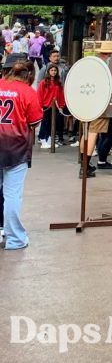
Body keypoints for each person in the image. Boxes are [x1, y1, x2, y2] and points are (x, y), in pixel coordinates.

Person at [1, 61, 43, 249]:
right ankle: (15, 239)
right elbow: (35, 121)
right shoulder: (27, 92)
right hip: (15, 148)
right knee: (12, 195)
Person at [79, 41, 112, 178]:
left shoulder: (91, 63)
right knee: (93, 133)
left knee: (86, 132)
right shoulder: (107, 66)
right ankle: (85, 166)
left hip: (86, 102)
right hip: (100, 105)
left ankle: (84, 163)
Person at [36, 63, 66, 149]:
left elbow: (61, 95)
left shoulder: (58, 83)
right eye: (52, 70)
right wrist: (40, 106)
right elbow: (39, 94)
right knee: (45, 123)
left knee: (52, 123)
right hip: (46, 106)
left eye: (55, 70)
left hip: (55, 106)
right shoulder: (43, 82)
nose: (53, 72)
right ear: (48, 71)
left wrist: (61, 105)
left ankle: (49, 138)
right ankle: (42, 138)